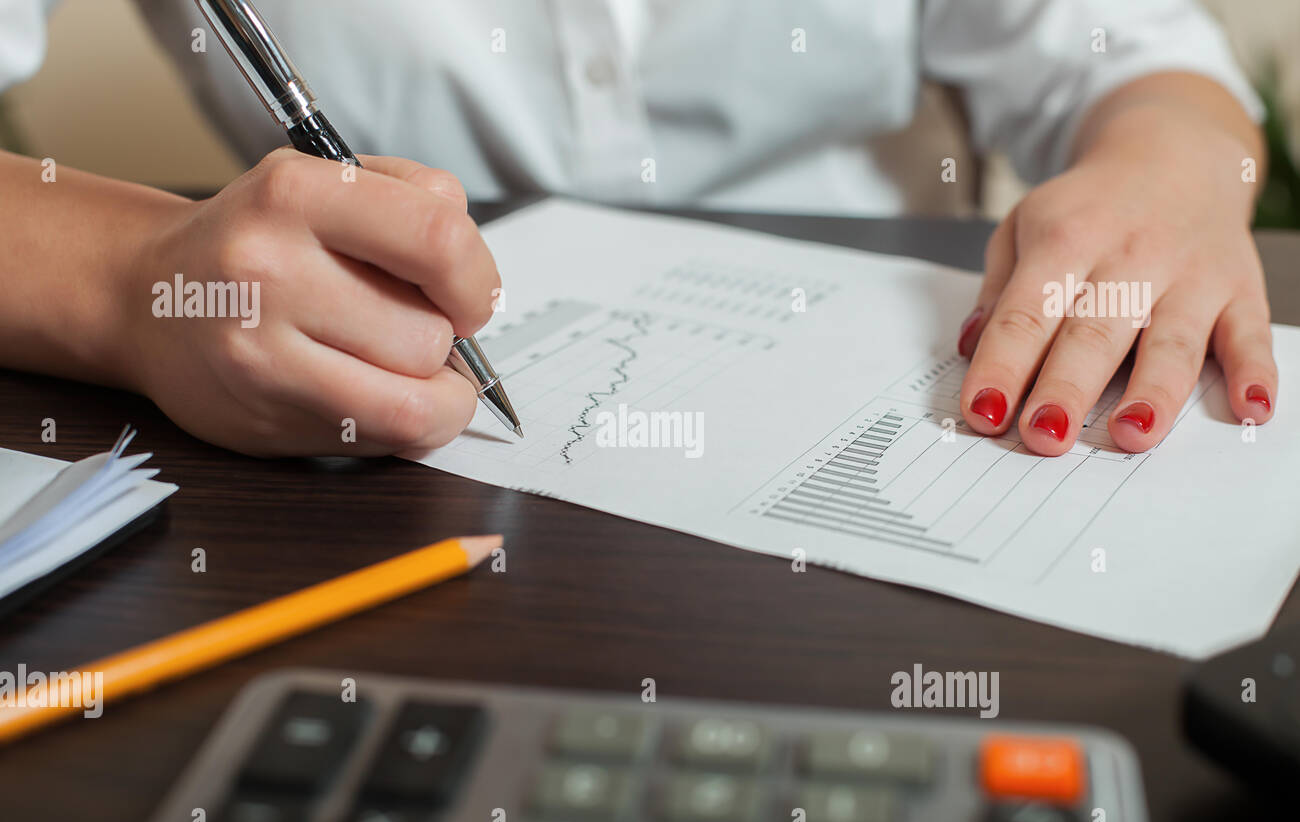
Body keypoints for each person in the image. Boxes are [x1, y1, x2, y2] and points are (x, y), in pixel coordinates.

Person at [0, 0, 1274, 457]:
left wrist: (1168, 166)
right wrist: (135, 283)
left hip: (883, 373)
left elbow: (1140, 63)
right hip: (343, 405)